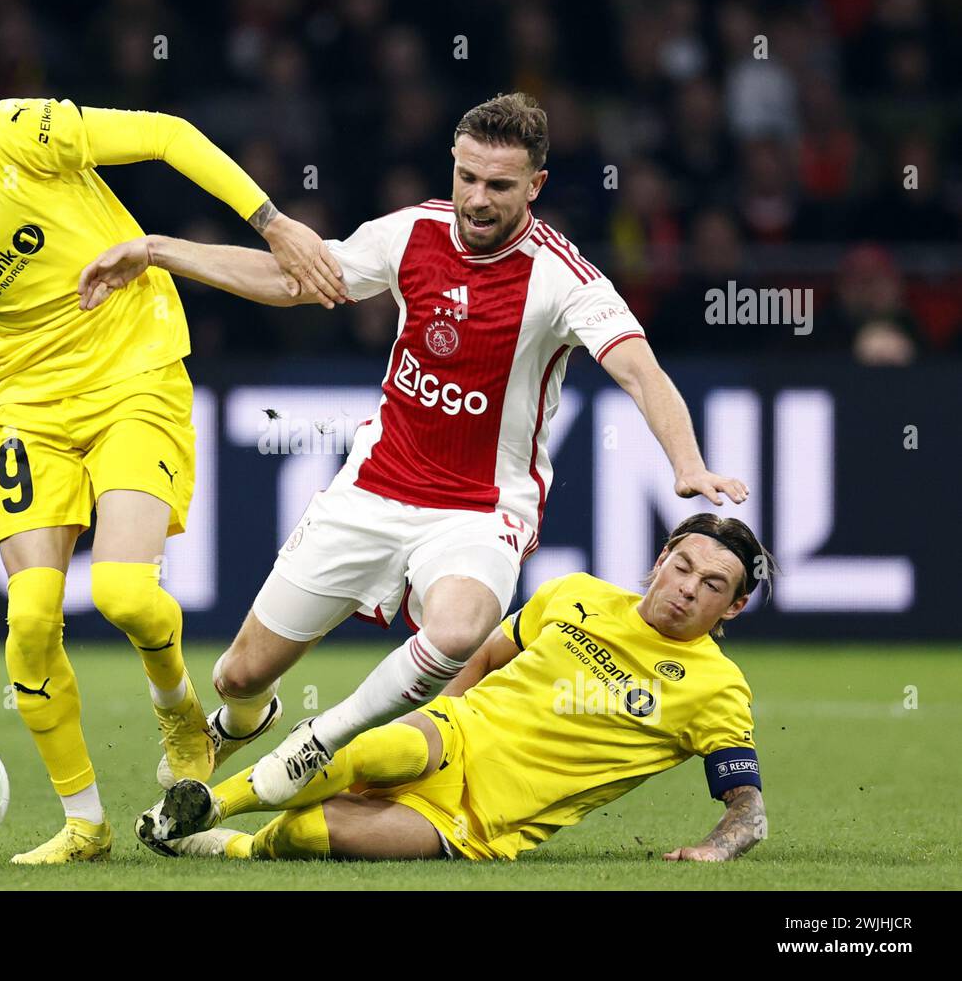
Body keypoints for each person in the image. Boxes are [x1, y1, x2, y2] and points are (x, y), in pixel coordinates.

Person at [81, 92, 749, 807]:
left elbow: (640, 371)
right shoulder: (409, 234)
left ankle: (320, 741)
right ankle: (244, 721)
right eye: (467, 177)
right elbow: (292, 281)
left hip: (480, 509)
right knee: (238, 676)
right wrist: (158, 251)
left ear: (535, 186)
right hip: (372, 489)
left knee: (459, 631)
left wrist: (687, 462)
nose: (477, 199)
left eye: (499, 185)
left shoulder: (563, 278)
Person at [0, 68, 346, 864]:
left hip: (133, 374)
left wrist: (272, 222)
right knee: (28, 624)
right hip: (31, 411)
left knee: (124, 593)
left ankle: (180, 715)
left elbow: (165, 134)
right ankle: (85, 824)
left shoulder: (9, 132)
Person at [138, 513, 772, 863]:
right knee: (379, 748)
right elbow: (489, 650)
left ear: (734, 606)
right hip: (455, 735)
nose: (687, 588)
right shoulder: (577, 593)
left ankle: (227, 846)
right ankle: (207, 805)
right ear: (661, 560)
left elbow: (749, 810)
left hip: (482, 822)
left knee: (307, 837)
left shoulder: (717, 689)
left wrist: (714, 851)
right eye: (682, 566)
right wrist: (442, 719)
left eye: (712, 585)